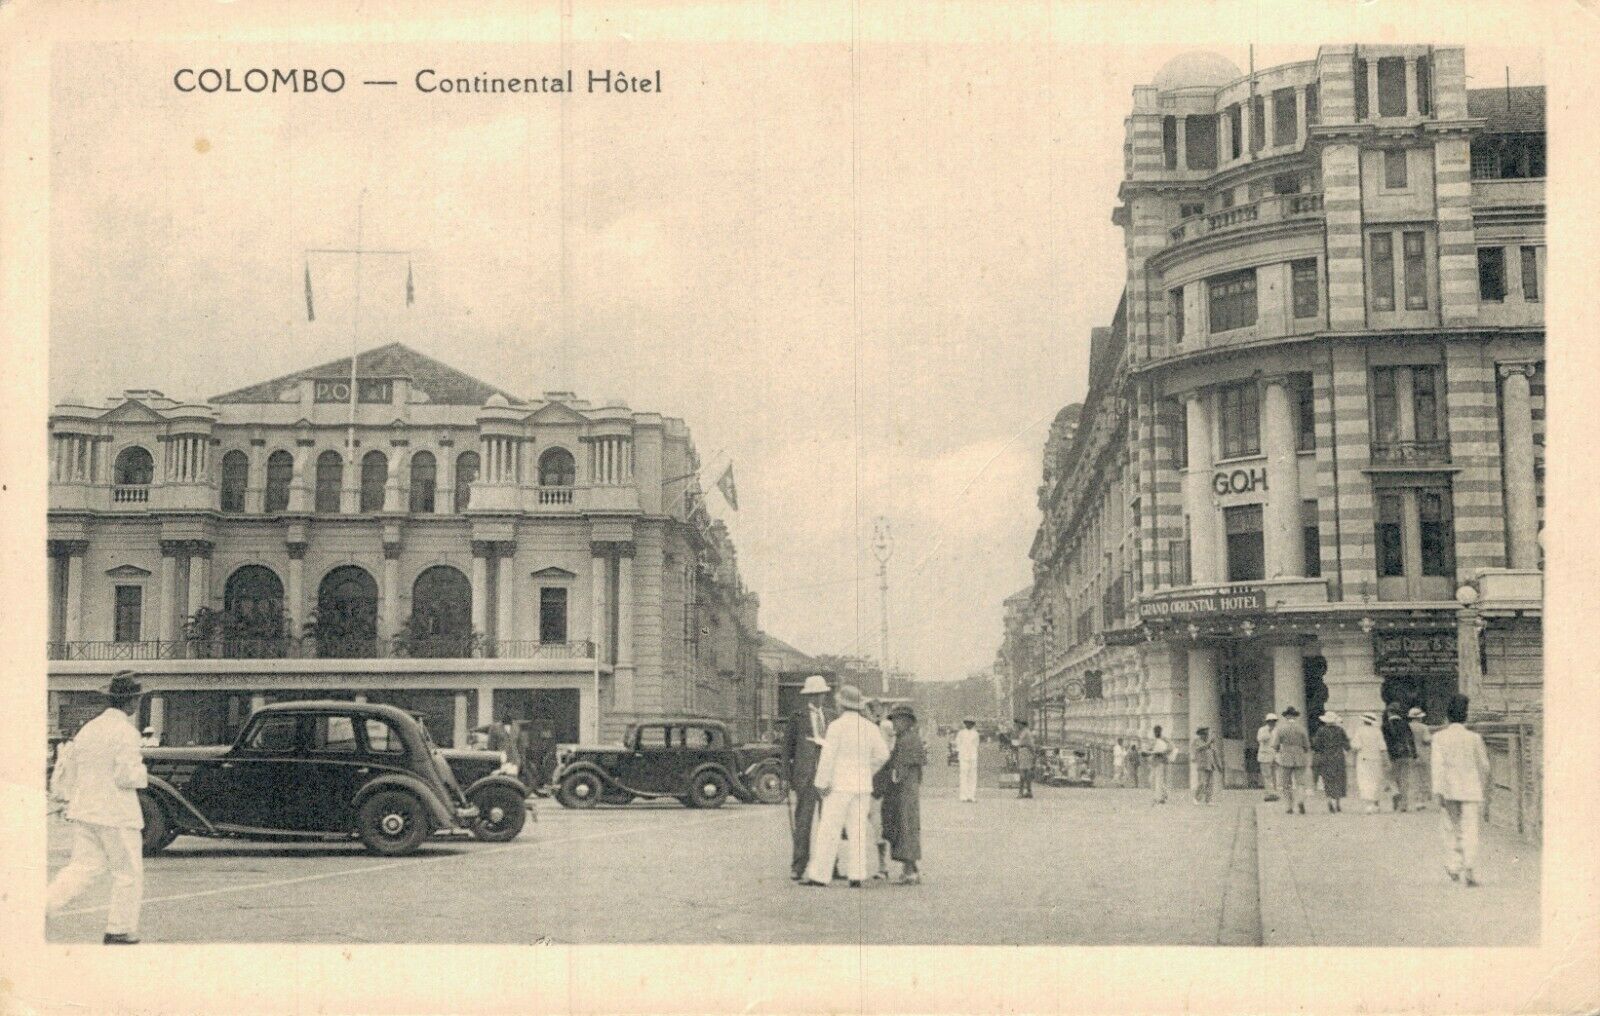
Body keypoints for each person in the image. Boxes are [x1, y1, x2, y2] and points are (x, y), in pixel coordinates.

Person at [46, 672, 150, 944]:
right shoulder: (126, 732)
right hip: (116, 813)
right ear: (132, 701)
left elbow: (72, 769)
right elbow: (127, 777)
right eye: (137, 699)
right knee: (128, 873)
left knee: (82, 867)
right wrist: (143, 773)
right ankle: (119, 929)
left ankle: (43, 905)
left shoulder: (89, 729)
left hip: (85, 810)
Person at [800, 685, 889, 888]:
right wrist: (867, 770)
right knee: (857, 830)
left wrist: (821, 783)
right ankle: (856, 875)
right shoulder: (870, 727)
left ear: (841, 704)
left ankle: (819, 875)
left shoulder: (836, 727)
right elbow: (883, 754)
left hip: (838, 785)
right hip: (862, 785)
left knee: (829, 830)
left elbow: (828, 757)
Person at [1432, 694, 1491, 887]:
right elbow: (1484, 766)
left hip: (1449, 789)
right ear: (1465, 715)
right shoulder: (1474, 738)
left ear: (1448, 715)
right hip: (1471, 790)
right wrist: (1483, 788)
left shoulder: (1439, 737)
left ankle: (1454, 865)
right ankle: (1469, 867)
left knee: (1451, 828)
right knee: (1470, 829)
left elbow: (1437, 766)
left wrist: (1437, 791)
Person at [782, 675, 834, 881]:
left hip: (827, 777)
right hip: (806, 777)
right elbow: (787, 749)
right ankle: (798, 866)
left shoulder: (832, 716)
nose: (819, 698)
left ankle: (830, 865)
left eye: (821, 694)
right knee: (803, 823)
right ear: (809, 696)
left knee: (829, 822)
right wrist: (786, 777)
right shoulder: (797, 717)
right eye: (815, 694)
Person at [882, 703, 926, 884]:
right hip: (907, 790)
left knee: (906, 828)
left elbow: (902, 769)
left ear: (907, 722)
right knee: (906, 827)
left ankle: (909, 871)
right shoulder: (908, 738)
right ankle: (911, 869)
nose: (894, 724)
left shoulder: (908, 740)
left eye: (897, 720)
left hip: (905, 791)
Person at [866, 700, 894, 880]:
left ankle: (883, 866)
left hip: (877, 779)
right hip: (863, 778)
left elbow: (886, 754)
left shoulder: (883, 726)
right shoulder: (865, 729)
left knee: (877, 820)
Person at [1271, 706, 1312, 815]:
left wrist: (1278, 751)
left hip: (1285, 757)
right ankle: (1300, 800)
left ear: (1286, 717)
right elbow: (1307, 745)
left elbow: (1275, 745)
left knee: (1286, 784)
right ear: (1295, 716)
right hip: (1299, 756)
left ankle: (1289, 806)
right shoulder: (1301, 729)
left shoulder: (1281, 729)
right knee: (1300, 783)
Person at [1381, 700, 1417, 812]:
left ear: (1389, 712)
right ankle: (1404, 805)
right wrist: (1414, 754)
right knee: (1404, 779)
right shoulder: (1405, 724)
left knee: (1391, 777)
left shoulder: (1385, 726)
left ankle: (1395, 793)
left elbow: (1384, 742)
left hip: (1392, 755)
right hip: (1405, 754)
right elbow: (1411, 740)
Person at [1311, 712, 1351, 812]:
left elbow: (1316, 745)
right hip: (1338, 758)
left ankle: (1329, 801)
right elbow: (1347, 746)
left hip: (1326, 757)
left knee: (1328, 780)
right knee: (1339, 780)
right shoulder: (1340, 730)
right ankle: (1337, 803)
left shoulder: (1321, 730)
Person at [1351, 712, 1388, 814]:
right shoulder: (1377, 731)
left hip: (1363, 758)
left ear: (1363, 720)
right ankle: (1375, 803)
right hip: (1376, 758)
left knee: (1365, 780)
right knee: (1375, 780)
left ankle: (1369, 804)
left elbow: (1356, 746)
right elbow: (1382, 747)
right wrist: (1386, 760)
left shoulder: (1360, 730)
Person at [1408, 707, 1434, 812]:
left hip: (1410, 754)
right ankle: (1422, 801)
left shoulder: (1407, 727)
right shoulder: (1424, 727)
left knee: (1414, 778)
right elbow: (1427, 739)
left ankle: (1416, 801)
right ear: (1419, 717)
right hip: (1423, 754)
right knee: (1423, 777)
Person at [1191, 727, 1221, 805]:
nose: (1206, 735)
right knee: (1202, 782)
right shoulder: (1197, 741)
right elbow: (1199, 748)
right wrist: (1209, 743)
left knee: (1210, 783)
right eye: (1204, 734)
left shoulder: (1211, 743)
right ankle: (1196, 798)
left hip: (1210, 765)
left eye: (1207, 734)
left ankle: (1209, 800)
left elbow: (1215, 754)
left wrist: (1219, 765)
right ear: (1200, 734)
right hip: (1202, 765)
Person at [1255, 713, 1280, 802]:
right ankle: (1269, 793)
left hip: (1274, 756)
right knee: (1267, 775)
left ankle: (1274, 793)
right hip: (1264, 756)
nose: (1272, 723)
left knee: (1274, 775)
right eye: (1270, 721)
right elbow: (1260, 739)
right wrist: (1268, 732)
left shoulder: (1277, 730)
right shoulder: (1262, 730)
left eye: (1274, 721)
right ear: (1267, 722)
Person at [955, 718, 980, 802]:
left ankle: (971, 796)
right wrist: (961, 753)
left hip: (973, 757)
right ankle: (963, 796)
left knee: (972, 777)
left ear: (973, 724)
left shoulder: (975, 733)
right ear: (965, 724)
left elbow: (976, 744)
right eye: (967, 723)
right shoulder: (961, 733)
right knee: (963, 776)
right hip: (963, 757)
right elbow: (958, 744)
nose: (969, 725)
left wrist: (973, 753)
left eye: (971, 723)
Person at [1146, 725, 1172, 804]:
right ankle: (1163, 794)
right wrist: (1148, 752)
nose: (1156, 733)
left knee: (1159, 780)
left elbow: (1171, 748)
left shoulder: (1165, 739)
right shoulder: (1153, 740)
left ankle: (1159, 798)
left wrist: (1163, 752)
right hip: (1153, 762)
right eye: (1155, 731)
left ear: (1160, 731)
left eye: (1158, 731)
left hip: (1161, 762)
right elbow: (1149, 749)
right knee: (1152, 780)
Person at [1013, 720, 1036, 798]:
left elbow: (1031, 745)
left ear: (1022, 724)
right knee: (1026, 773)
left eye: (1018, 724)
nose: (1017, 726)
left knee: (1023, 773)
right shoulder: (1024, 732)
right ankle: (1028, 792)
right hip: (1023, 752)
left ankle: (1021, 792)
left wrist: (1034, 754)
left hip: (1026, 752)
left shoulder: (1026, 732)